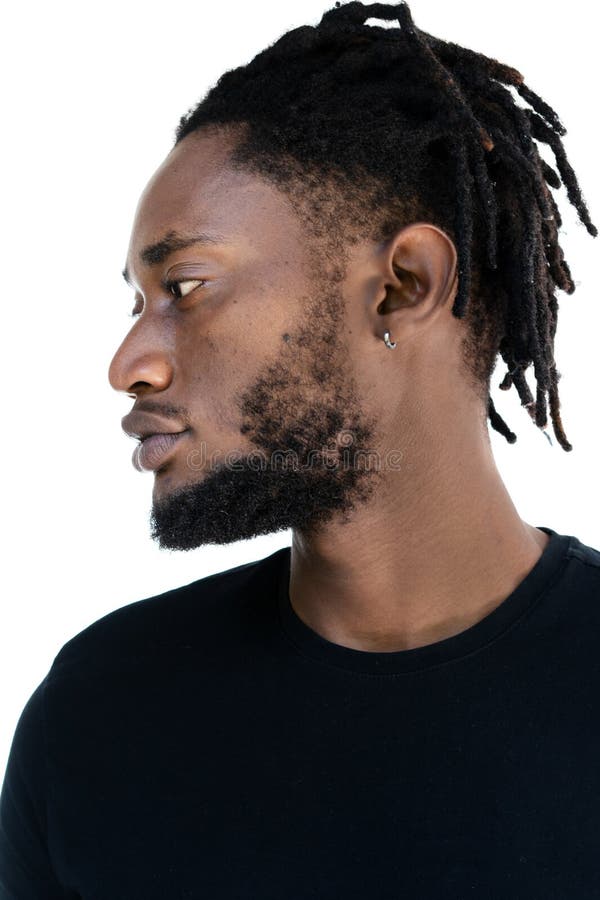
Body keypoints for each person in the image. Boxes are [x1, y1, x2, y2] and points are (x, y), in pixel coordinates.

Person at [1, 1, 599, 896]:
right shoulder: (99, 716)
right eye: (137, 301)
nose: (130, 363)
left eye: (187, 285)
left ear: (403, 287)